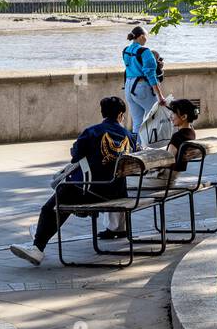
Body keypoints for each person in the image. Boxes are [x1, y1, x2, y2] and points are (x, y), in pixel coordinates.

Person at [9, 96, 137, 266]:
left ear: (102, 113)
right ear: (121, 115)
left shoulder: (92, 132)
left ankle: (38, 247)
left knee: (56, 201)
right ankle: (40, 233)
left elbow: (75, 156)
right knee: (64, 195)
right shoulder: (129, 136)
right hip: (116, 192)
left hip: (94, 192)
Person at [122, 26, 166, 138]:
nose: (147, 39)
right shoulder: (145, 52)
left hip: (129, 87)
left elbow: (129, 68)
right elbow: (151, 75)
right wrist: (160, 96)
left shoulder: (126, 50)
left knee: (137, 122)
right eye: (146, 36)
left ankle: (137, 148)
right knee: (154, 117)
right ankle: (152, 146)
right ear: (141, 36)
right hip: (142, 87)